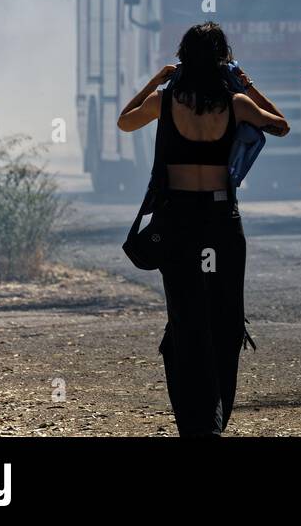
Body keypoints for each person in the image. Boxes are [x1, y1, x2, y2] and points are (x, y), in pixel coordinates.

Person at [116, 22, 290, 436]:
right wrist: (249, 85)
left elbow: (124, 122)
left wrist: (154, 80)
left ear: (183, 59)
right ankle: (215, 419)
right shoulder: (236, 103)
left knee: (185, 321)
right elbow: (280, 125)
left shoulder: (165, 99)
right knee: (226, 322)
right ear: (222, 60)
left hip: (177, 221)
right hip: (220, 222)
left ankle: (193, 424)